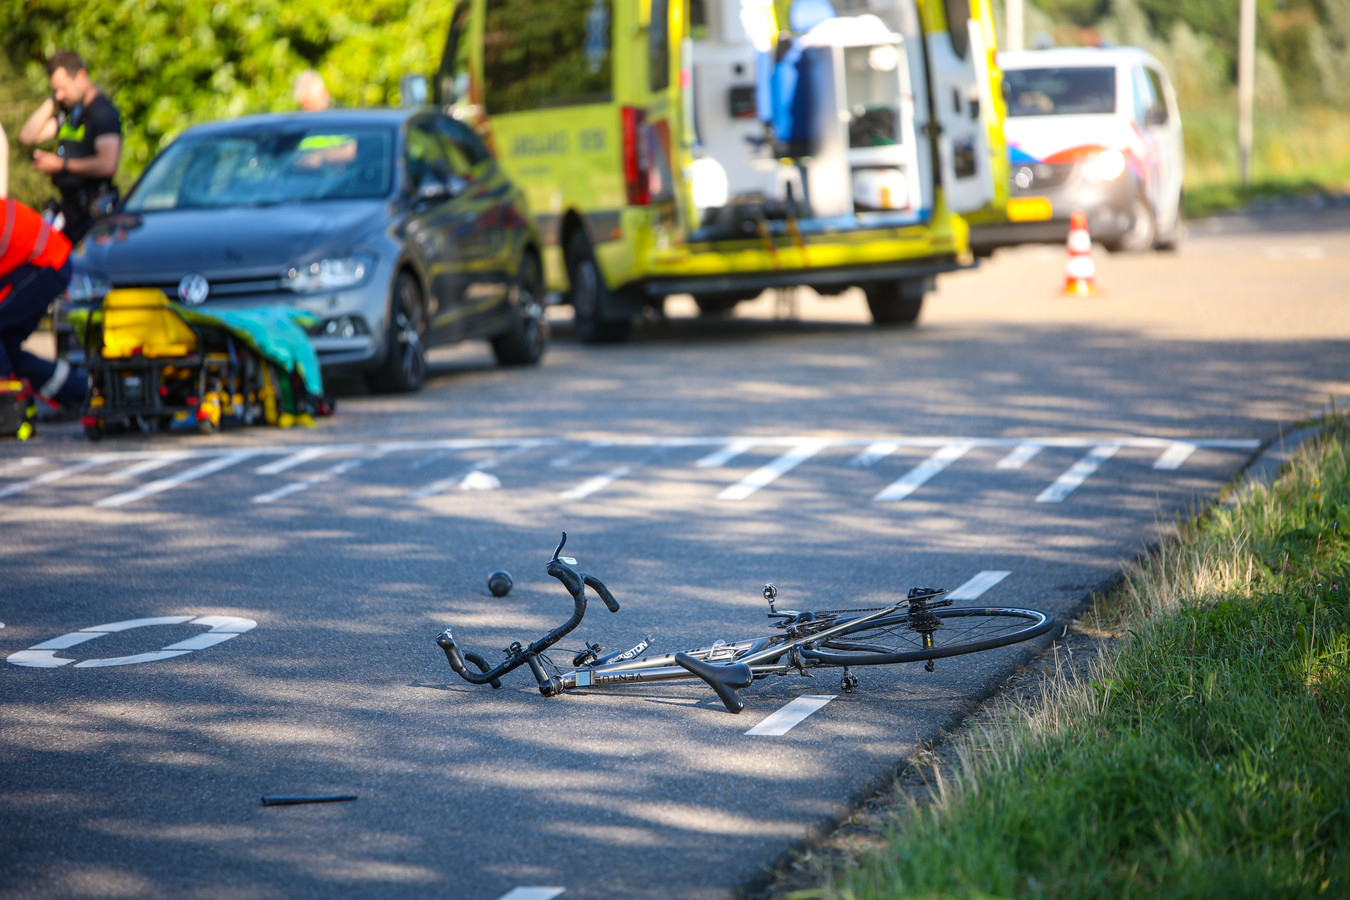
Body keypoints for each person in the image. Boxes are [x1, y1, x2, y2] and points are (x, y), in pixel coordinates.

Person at [18, 50, 122, 245]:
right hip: (69, 210)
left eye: (63, 88)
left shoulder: (103, 113)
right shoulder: (70, 114)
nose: (60, 94)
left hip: (94, 213)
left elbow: (108, 164)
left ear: (81, 76)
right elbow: (28, 136)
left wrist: (61, 165)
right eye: (55, 90)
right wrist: (52, 101)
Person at [0, 197, 85, 408]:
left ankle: (6, 404)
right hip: (42, 259)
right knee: (7, 348)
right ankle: (76, 390)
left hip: (46, 261)